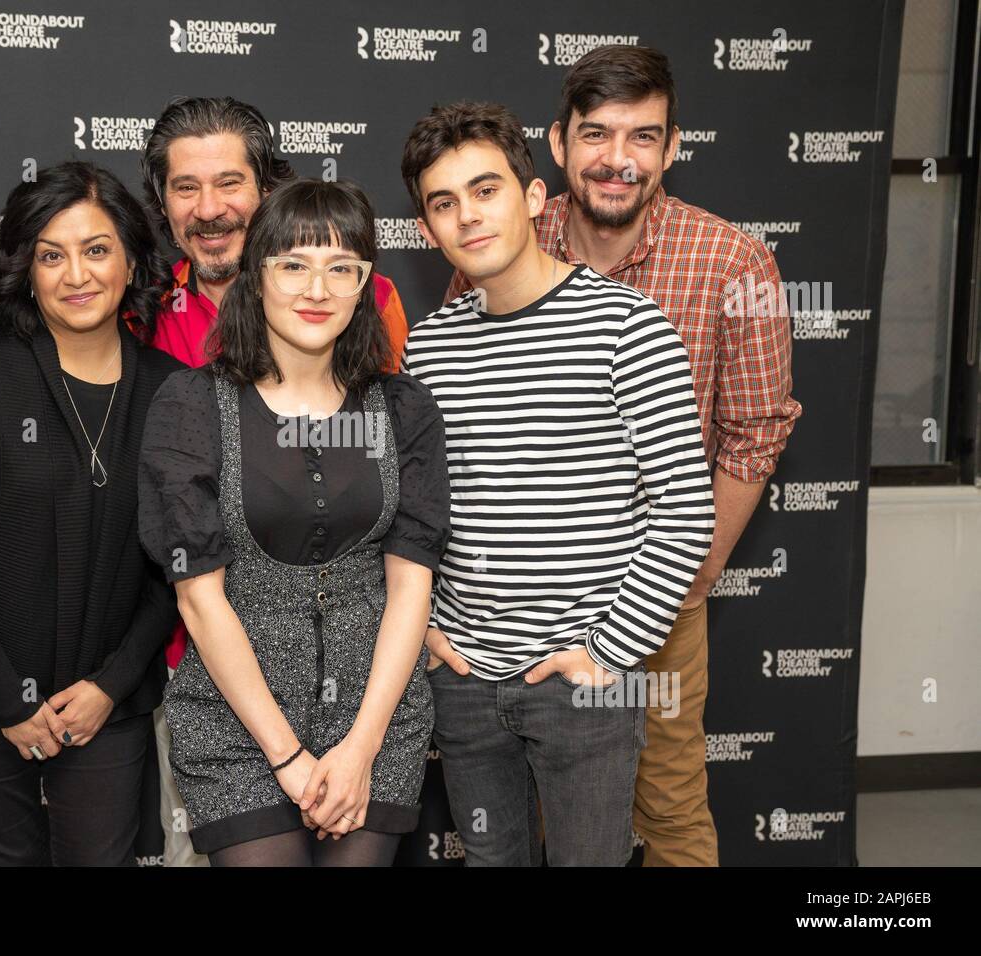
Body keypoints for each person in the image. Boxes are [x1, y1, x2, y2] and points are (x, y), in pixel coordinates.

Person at [0, 96, 414, 866]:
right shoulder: (136, 303)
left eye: (230, 183)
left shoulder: (362, 301)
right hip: (188, 666)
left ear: (269, 188)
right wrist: (3, 319)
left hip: (346, 671)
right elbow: (57, 326)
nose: (209, 209)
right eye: (184, 188)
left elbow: (383, 485)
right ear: (161, 202)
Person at [442, 47, 802, 866]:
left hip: (658, 589)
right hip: (517, 604)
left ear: (673, 148)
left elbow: (756, 432)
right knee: (528, 816)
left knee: (668, 801)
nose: (617, 159)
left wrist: (687, 578)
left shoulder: (732, 262)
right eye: (596, 134)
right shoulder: (493, 242)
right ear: (559, 144)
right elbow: (464, 426)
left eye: (644, 137)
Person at [400, 101, 715, 865]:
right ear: (426, 230)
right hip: (466, 679)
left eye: (486, 190)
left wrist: (607, 654)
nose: (468, 217)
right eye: (444, 204)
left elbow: (684, 511)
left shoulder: (627, 328)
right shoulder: (430, 347)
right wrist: (430, 636)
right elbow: (419, 510)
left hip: (584, 682)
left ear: (535, 198)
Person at [137, 178, 451, 865]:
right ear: (257, 276)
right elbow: (198, 595)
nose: (318, 289)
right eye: (294, 266)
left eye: (343, 268)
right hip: (238, 726)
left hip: (377, 724)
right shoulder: (192, 405)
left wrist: (363, 747)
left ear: (366, 284)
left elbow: (409, 588)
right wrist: (287, 757)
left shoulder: (402, 411)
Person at [0, 161, 184, 865]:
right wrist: (7, 698)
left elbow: (178, 564)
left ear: (133, 258)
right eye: (52, 255)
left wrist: (110, 686)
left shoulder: (172, 391)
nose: (76, 274)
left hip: (105, 700)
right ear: (26, 267)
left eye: (96, 249)